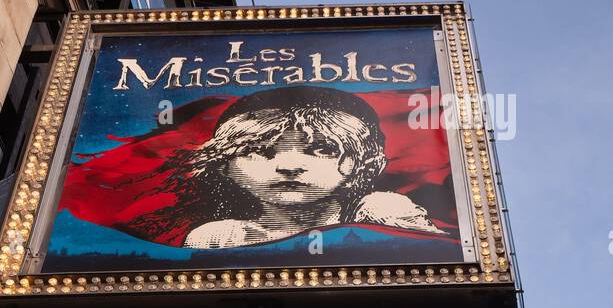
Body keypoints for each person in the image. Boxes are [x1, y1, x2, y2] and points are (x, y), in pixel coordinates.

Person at [174, 86, 440, 249]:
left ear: (366, 164)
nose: (289, 165)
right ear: (224, 166)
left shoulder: (383, 211)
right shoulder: (219, 237)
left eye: (323, 149)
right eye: (260, 150)